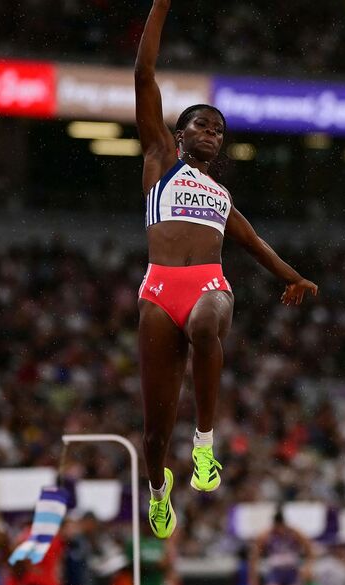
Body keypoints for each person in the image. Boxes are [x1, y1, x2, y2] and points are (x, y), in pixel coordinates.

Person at [133, 0, 319, 539]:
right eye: (201, 124)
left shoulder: (220, 194)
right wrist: (163, 6)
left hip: (207, 286)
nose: (211, 132)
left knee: (206, 324)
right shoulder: (158, 159)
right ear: (180, 132)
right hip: (158, 288)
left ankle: (206, 442)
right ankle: (158, 490)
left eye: (218, 129)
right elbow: (144, 72)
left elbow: (253, 241)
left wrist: (292, 276)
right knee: (152, 433)